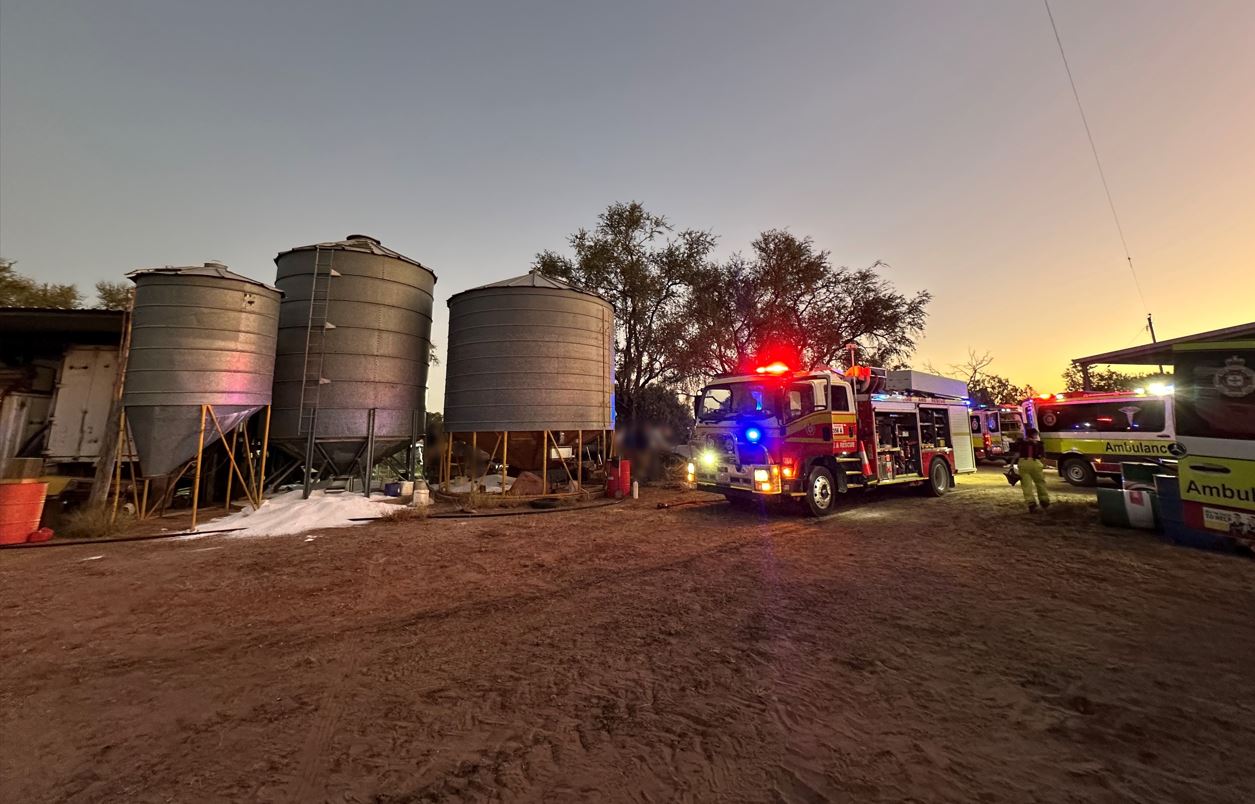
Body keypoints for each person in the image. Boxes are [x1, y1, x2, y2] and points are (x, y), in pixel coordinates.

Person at [1011, 427, 1050, 512]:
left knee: (1026, 485)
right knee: (1040, 483)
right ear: (1034, 435)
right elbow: (1043, 457)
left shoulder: (1021, 443)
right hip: (1035, 463)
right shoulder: (1039, 444)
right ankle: (1044, 501)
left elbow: (1016, 454)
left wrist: (1011, 465)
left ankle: (1031, 503)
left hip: (1023, 463)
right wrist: (1044, 465)